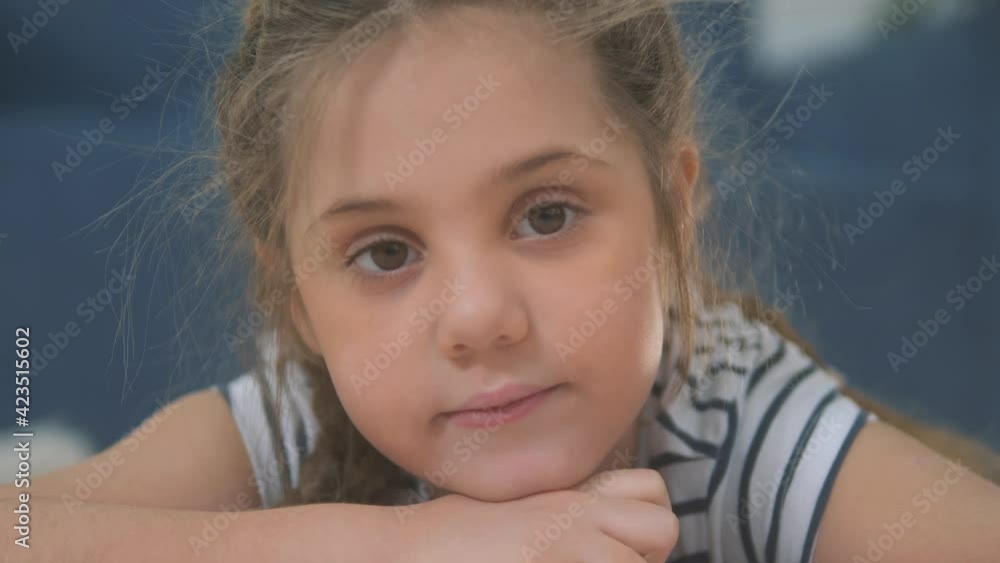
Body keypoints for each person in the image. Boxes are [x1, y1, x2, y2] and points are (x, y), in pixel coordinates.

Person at [5, 1, 999, 561]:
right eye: (385, 252)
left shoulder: (730, 409)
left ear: (672, 209)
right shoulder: (294, 423)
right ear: (300, 302)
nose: (478, 317)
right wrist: (411, 548)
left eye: (547, 215)